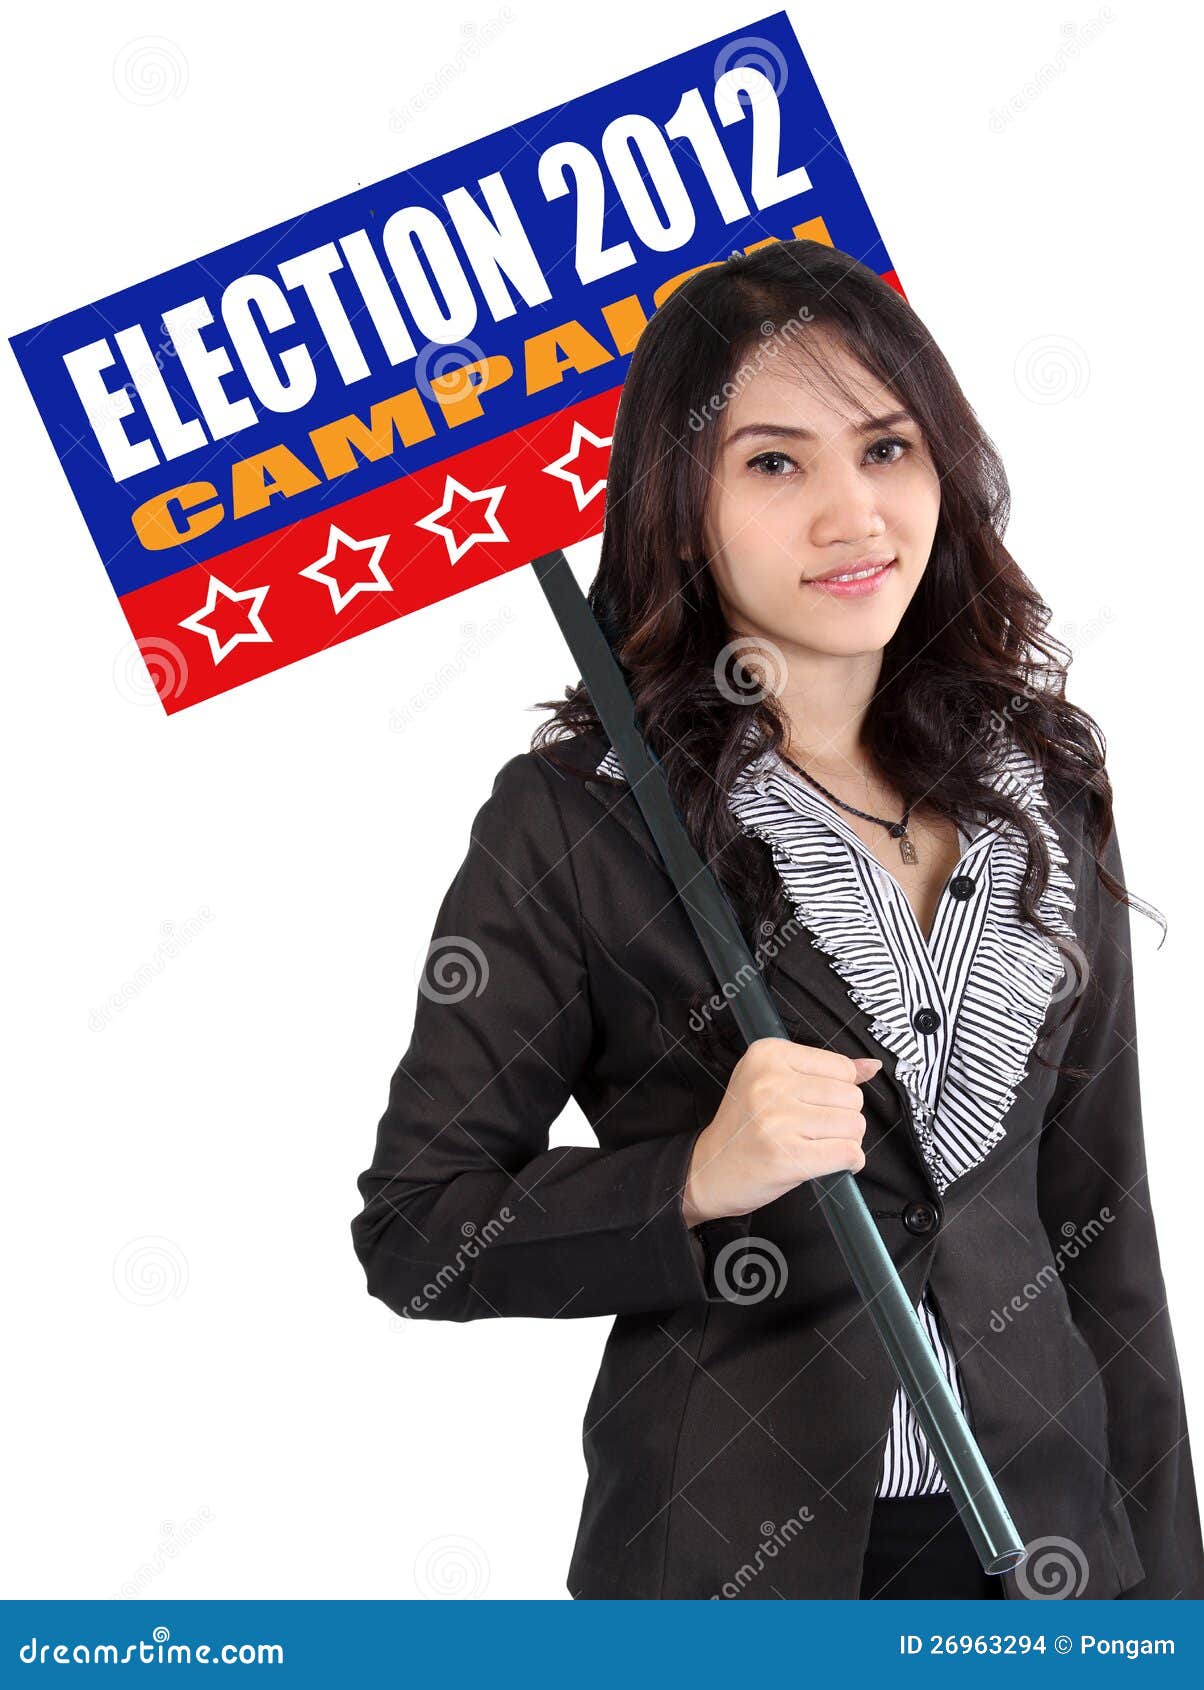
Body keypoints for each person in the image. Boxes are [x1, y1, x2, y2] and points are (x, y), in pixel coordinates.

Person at [350, 239, 1204, 1600]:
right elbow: (418, 1227)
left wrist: (1168, 1605)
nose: (854, 515)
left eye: (887, 446)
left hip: (1050, 1559)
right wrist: (694, 1177)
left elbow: (1102, 1212)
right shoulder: (578, 817)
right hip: (732, 1576)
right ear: (679, 506)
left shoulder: (1049, 779)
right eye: (772, 462)